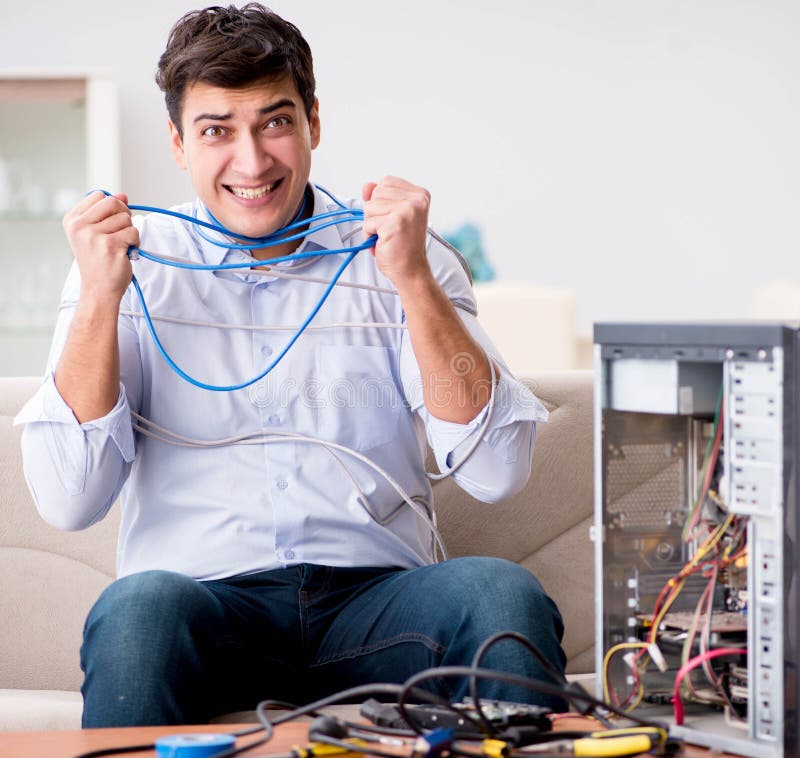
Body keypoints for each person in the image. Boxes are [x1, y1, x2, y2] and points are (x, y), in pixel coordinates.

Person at [15, 3, 567, 727]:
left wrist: (413, 283)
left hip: (378, 606)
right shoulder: (123, 269)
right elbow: (68, 500)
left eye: (274, 122)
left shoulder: (405, 255)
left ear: (313, 122)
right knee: (139, 609)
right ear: (179, 144)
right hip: (206, 607)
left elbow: (497, 472)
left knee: (501, 595)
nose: (251, 162)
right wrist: (99, 300)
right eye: (217, 131)